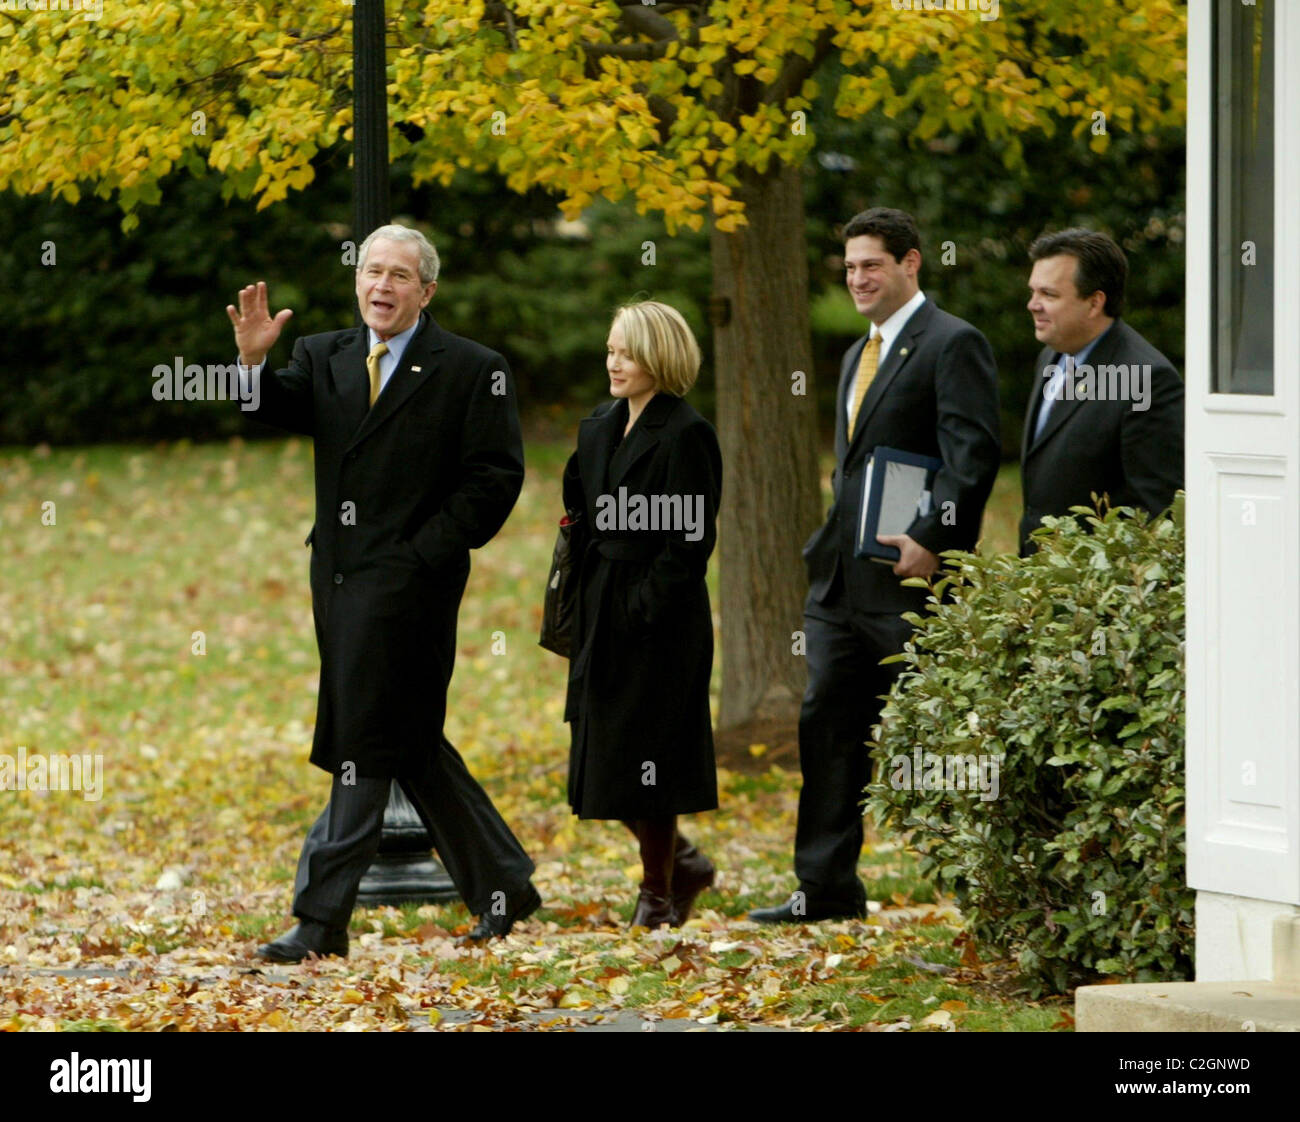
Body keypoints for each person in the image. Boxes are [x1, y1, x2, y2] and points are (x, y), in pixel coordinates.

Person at [225, 224, 539, 962]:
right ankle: (505, 886)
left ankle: (320, 918)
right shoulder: (323, 352)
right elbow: (275, 408)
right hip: (336, 580)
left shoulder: (472, 368)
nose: (382, 286)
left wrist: (422, 552)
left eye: (400, 275)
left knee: (362, 741)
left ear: (426, 291)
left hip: (413, 589)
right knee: (410, 744)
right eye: (372, 271)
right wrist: (250, 362)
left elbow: (496, 477)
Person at [749, 207, 1001, 924]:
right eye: (851, 266)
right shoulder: (856, 355)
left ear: (911, 264)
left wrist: (933, 538)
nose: (859, 277)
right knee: (825, 727)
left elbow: (973, 457)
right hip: (837, 583)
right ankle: (825, 890)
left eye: (873, 265)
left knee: (938, 733)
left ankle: (981, 892)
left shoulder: (954, 344)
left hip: (908, 580)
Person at [561, 300, 722, 929]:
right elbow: (578, 496)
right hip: (600, 604)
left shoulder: (686, 433)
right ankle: (683, 862)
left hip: (662, 618)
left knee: (650, 750)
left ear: (659, 356)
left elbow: (690, 543)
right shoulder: (599, 423)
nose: (614, 361)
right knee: (600, 751)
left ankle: (656, 893)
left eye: (626, 351)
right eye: (609, 349)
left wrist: (642, 606)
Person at [1020, 227, 1184, 555]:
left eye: (1048, 295)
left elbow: (1155, 514)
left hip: (1095, 593)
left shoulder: (1146, 379)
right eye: (1033, 291)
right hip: (1040, 585)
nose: (1032, 305)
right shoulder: (1052, 355)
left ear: (1095, 302)